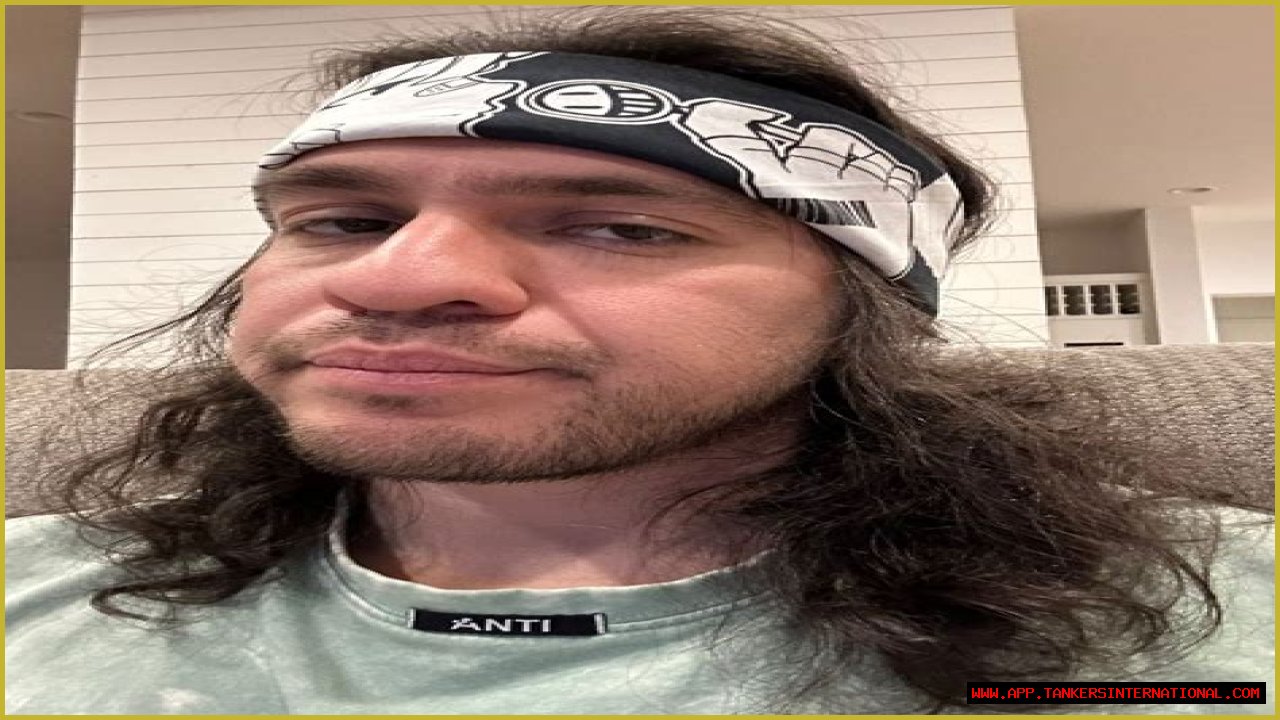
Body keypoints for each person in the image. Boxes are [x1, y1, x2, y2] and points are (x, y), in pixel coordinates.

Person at [6, 8, 1272, 715]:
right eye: (342, 220)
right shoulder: (35, 594)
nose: (392, 279)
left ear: (865, 313)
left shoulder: (1209, 617)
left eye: (619, 227)